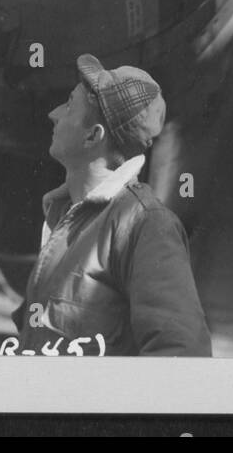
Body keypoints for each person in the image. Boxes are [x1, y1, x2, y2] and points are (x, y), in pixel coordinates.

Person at [12, 54, 212, 356]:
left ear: (93, 136)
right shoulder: (65, 215)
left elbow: (181, 357)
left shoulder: (145, 225)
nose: (53, 114)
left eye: (68, 106)